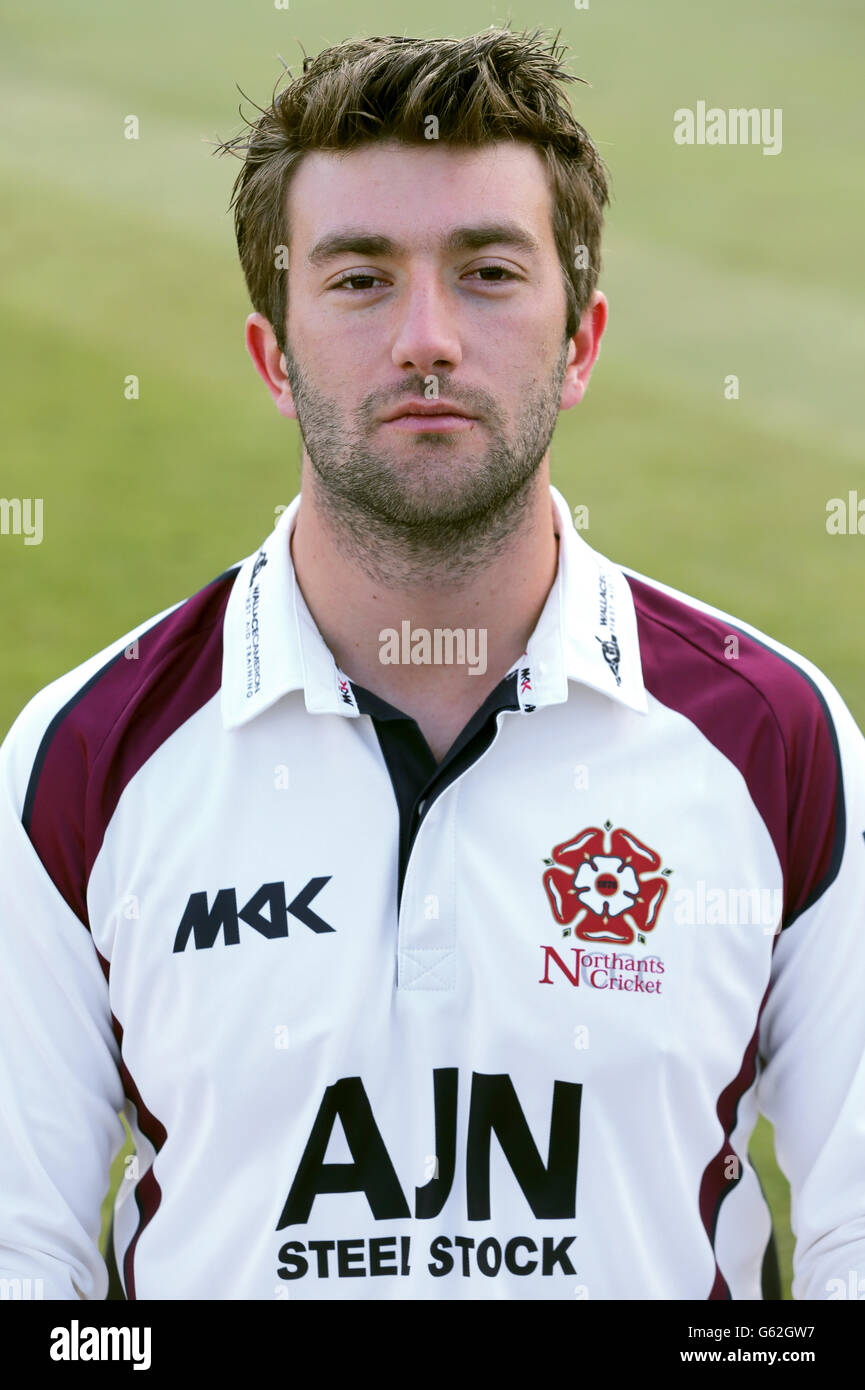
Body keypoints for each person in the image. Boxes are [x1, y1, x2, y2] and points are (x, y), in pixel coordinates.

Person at [1, 26, 863, 1302]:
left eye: (488, 271)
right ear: (273, 359)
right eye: (358, 278)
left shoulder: (773, 736)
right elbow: (32, 1267)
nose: (427, 338)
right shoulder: (82, 757)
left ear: (580, 343)